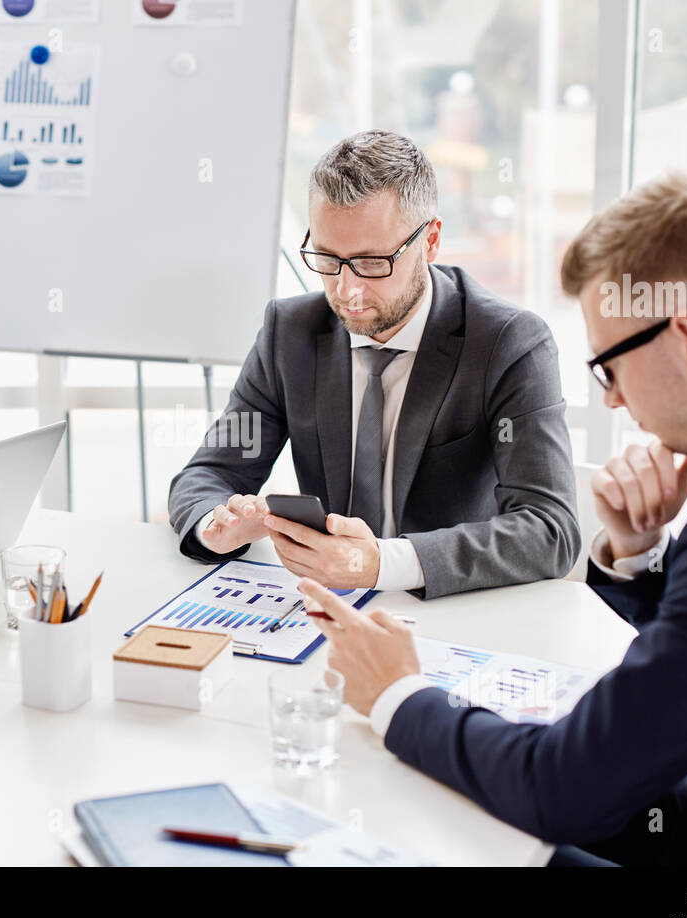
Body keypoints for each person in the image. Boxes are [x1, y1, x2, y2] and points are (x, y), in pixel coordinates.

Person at [297, 171, 687, 865]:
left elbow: (563, 790)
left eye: (609, 368)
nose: (613, 401)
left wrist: (397, 695)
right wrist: (640, 551)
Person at [167, 130, 578, 598]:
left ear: (431, 241)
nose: (347, 291)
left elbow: (551, 529)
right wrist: (216, 526)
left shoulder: (508, 343)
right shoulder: (290, 333)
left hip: (451, 610)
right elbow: (207, 475)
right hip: (323, 606)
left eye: (371, 262)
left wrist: (382, 564)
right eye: (327, 259)